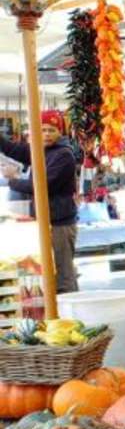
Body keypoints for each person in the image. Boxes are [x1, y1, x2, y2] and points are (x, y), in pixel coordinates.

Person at [0, 110, 79, 293]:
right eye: (42, 130)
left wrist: (13, 179)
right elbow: (12, 149)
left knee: (62, 275)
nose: (46, 134)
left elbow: (42, 186)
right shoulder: (41, 150)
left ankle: (69, 319)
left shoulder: (63, 155)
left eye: (51, 130)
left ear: (60, 131)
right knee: (52, 274)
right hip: (47, 221)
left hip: (59, 224)